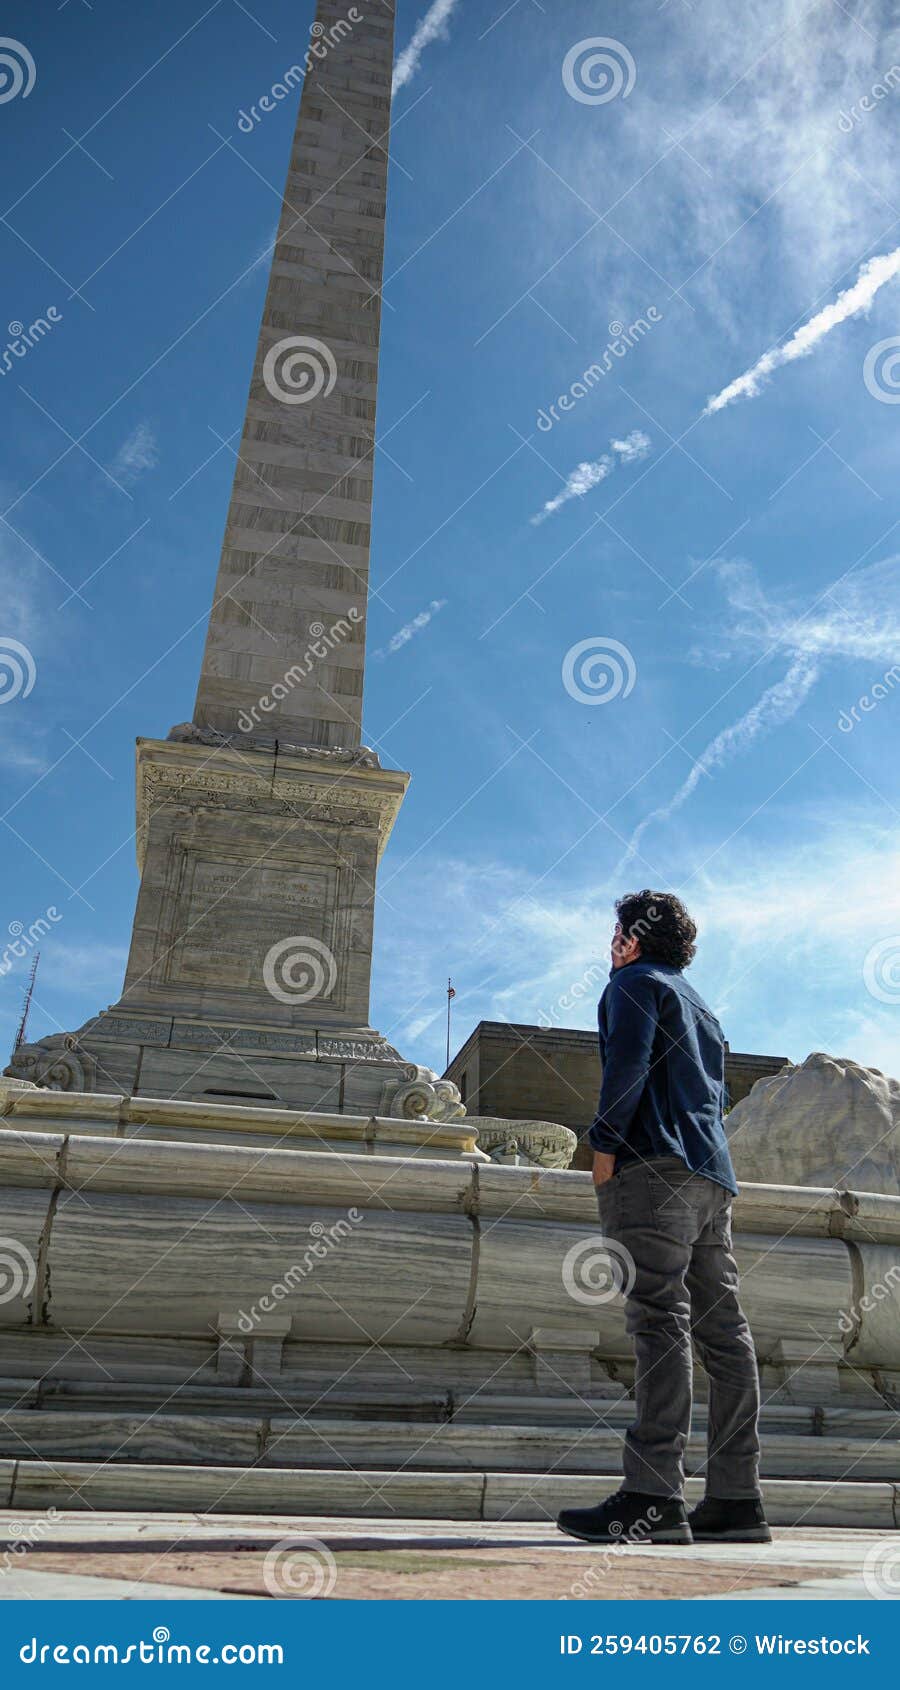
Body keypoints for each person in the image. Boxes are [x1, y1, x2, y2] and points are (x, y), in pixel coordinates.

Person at [557, 891, 769, 1547]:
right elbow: (716, 1094)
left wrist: (603, 1146)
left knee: (658, 1318)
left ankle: (652, 1495)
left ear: (629, 938)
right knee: (725, 1336)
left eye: (615, 934)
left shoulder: (631, 984)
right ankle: (737, 1500)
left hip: (652, 1166)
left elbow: (628, 1063)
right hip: (712, 1176)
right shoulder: (702, 1006)